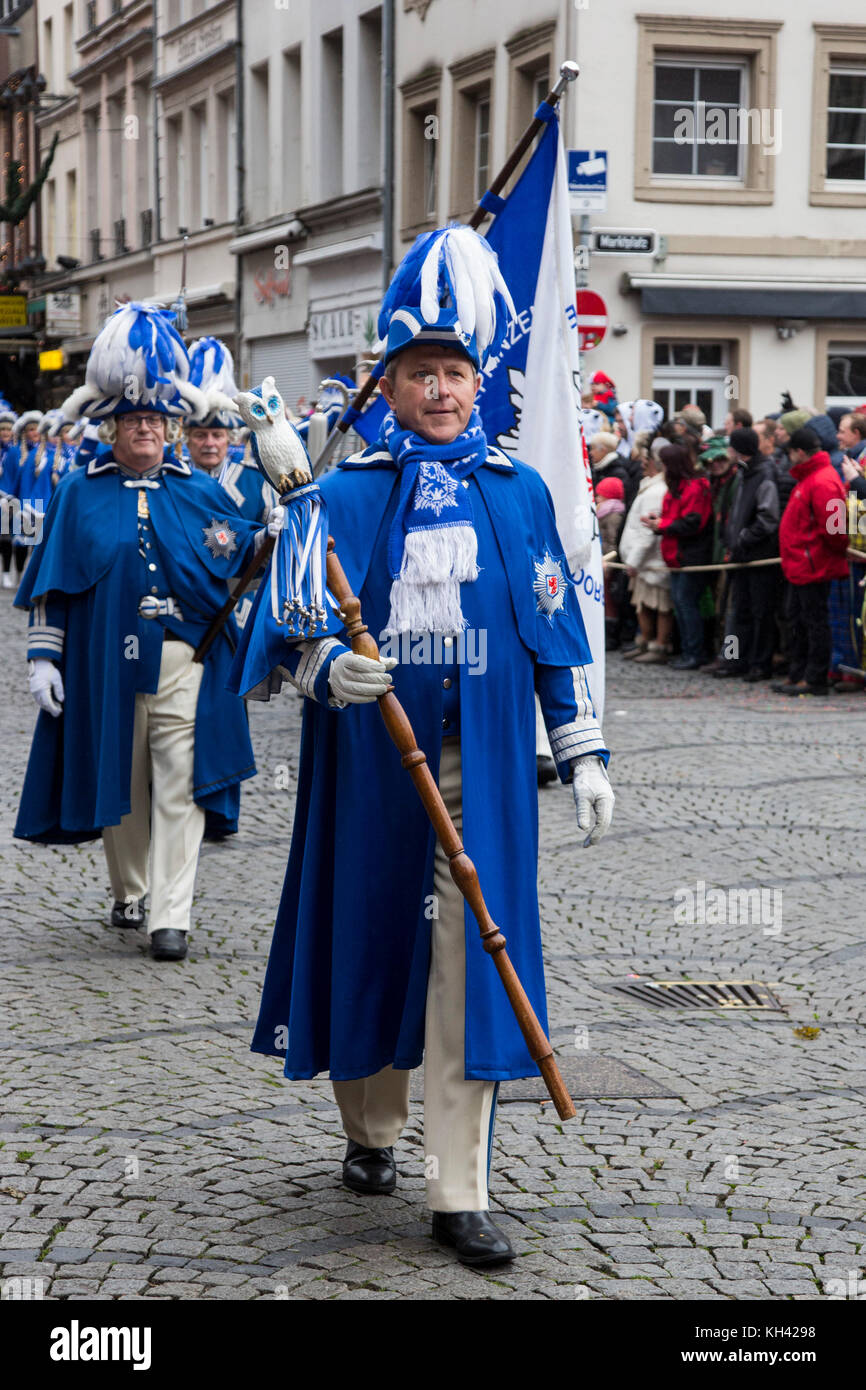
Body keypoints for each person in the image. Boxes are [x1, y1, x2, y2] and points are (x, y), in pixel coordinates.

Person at [230, 226, 615, 1267]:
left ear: (476, 379)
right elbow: (281, 632)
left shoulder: (517, 492)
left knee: (468, 962)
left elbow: (549, 626)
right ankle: (370, 1127)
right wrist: (325, 673)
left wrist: (579, 748)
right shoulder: (344, 495)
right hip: (369, 770)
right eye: (417, 373)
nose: (438, 390)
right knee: (370, 938)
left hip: (481, 769)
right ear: (387, 384)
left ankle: (459, 1187)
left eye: (452, 371)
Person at [14, 303, 277, 960]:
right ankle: (129, 890)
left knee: (180, 783)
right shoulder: (79, 492)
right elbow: (54, 580)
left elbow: (238, 549)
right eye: (134, 420)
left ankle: (171, 914)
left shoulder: (198, 489)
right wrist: (45, 659)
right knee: (122, 784)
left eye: (158, 421)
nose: (148, 431)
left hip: (185, 663)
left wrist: (270, 537)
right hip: (105, 664)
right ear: (109, 427)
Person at [772, 425, 849, 697]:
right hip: (802, 565)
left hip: (814, 565)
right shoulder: (811, 477)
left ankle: (814, 677)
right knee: (798, 621)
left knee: (814, 624)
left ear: (800, 452)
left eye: (791, 452)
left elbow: (836, 530)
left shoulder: (823, 480)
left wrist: (823, 553)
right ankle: (799, 673)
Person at [642, 443, 712, 669]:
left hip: (690, 557)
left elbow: (693, 522)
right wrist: (659, 522)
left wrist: (663, 524)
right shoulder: (679, 485)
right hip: (677, 555)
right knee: (681, 604)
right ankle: (687, 651)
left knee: (686, 603)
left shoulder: (694, 487)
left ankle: (694, 653)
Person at [719, 427, 780, 682]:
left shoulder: (764, 473)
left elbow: (768, 517)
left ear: (738, 449)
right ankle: (736, 660)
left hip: (759, 555)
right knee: (739, 610)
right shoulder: (745, 472)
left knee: (761, 612)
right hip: (741, 554)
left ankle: (760, 663)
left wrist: (744, 537)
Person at [619, 436, 672, 664]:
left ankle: (659, 645)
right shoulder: (649, 486)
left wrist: (635, 560)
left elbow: (648, 531)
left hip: (651, 560)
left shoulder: (656, 491)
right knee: (643, 603)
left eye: (647, 459)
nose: (642, 463)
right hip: (641, 561)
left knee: (660, 605)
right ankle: (645, 640)